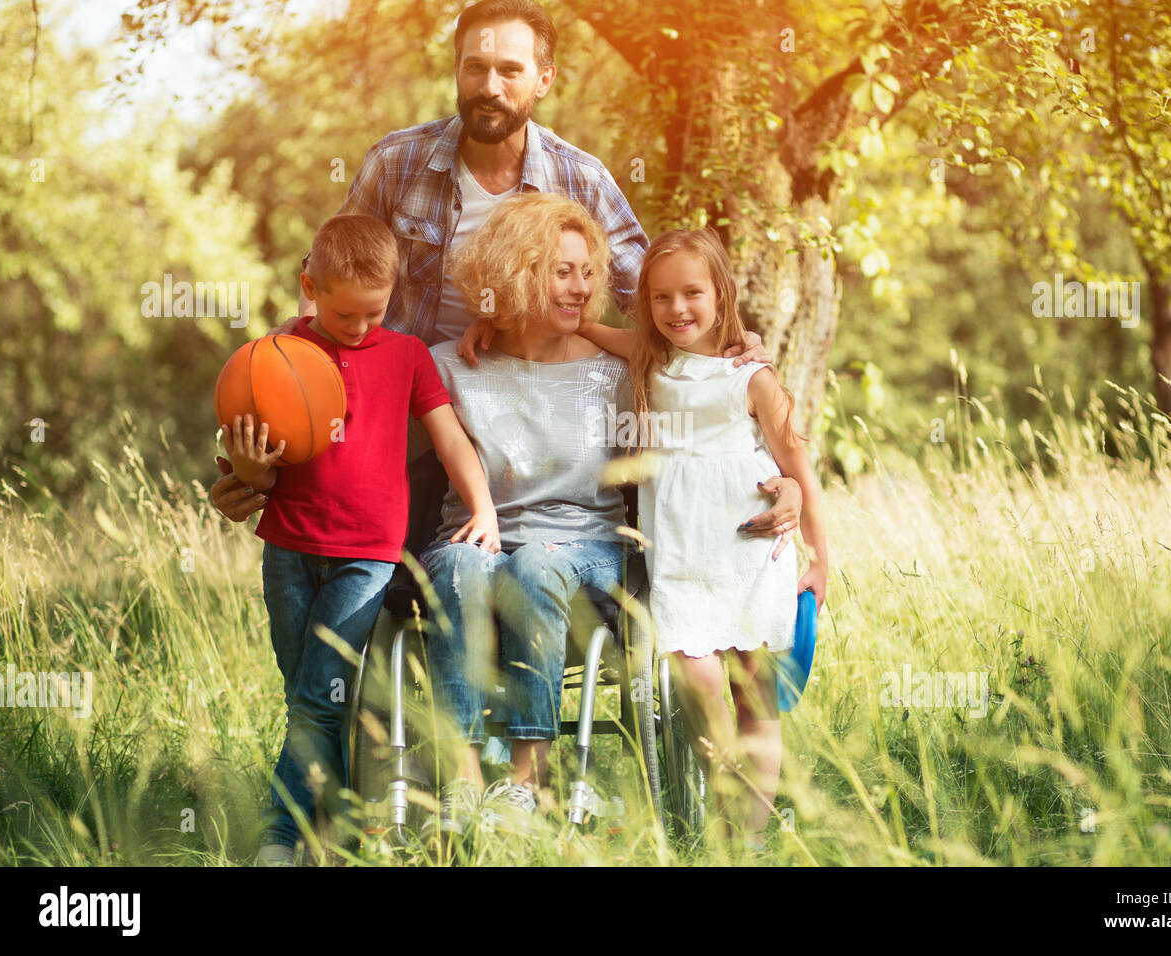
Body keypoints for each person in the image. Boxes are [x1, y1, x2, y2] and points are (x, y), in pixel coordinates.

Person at [208, 0, 800, 543]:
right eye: (475, 67)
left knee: (632, 542)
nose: (489, 87)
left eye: (510, 71)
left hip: (534, 428)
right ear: (457, 71)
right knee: (369, 572)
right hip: (406, 419)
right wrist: (261, 449)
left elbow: (652, 296)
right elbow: (330, 291)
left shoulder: (581, 180)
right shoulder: (397, 162)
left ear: (544, 79)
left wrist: (728, 344)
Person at [224, 215, 501, 866]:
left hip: (367, 558)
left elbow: (450, 438)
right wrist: (245, 469)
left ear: (392, 294)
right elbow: (257, 468)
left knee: (317, 702)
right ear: (309, 287)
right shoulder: (278, 356)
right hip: (288, 550)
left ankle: (279, 841)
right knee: (308, 698)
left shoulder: (406, 358)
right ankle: (340, 829)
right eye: (344, 314)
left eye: (373, 313)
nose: (358, 328)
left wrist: (483, 506)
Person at [575, 228, 829, 850]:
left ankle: (747, 840)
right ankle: (725, 796)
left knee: (754, 693)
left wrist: (821, 562)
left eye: (692, 292)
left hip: (750, 548)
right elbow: (580, 327)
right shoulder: (648, 357)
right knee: (700, 679)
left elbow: (802, 470)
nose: (677, 309)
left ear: (721, 291)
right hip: (682, 554)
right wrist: (485, 326)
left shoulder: (753, 377)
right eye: (660, 298)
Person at [417, 193, 631, 834]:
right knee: (456, 562)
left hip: (584, 549)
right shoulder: (450, 366)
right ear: (516, 271)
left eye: (587, 272)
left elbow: (700, 357)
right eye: (561, 271)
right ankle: (462, 781)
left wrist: (785, 483)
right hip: (480, 540)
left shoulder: (613, 372)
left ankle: (526, 779)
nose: (580, 286)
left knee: (536, 562)